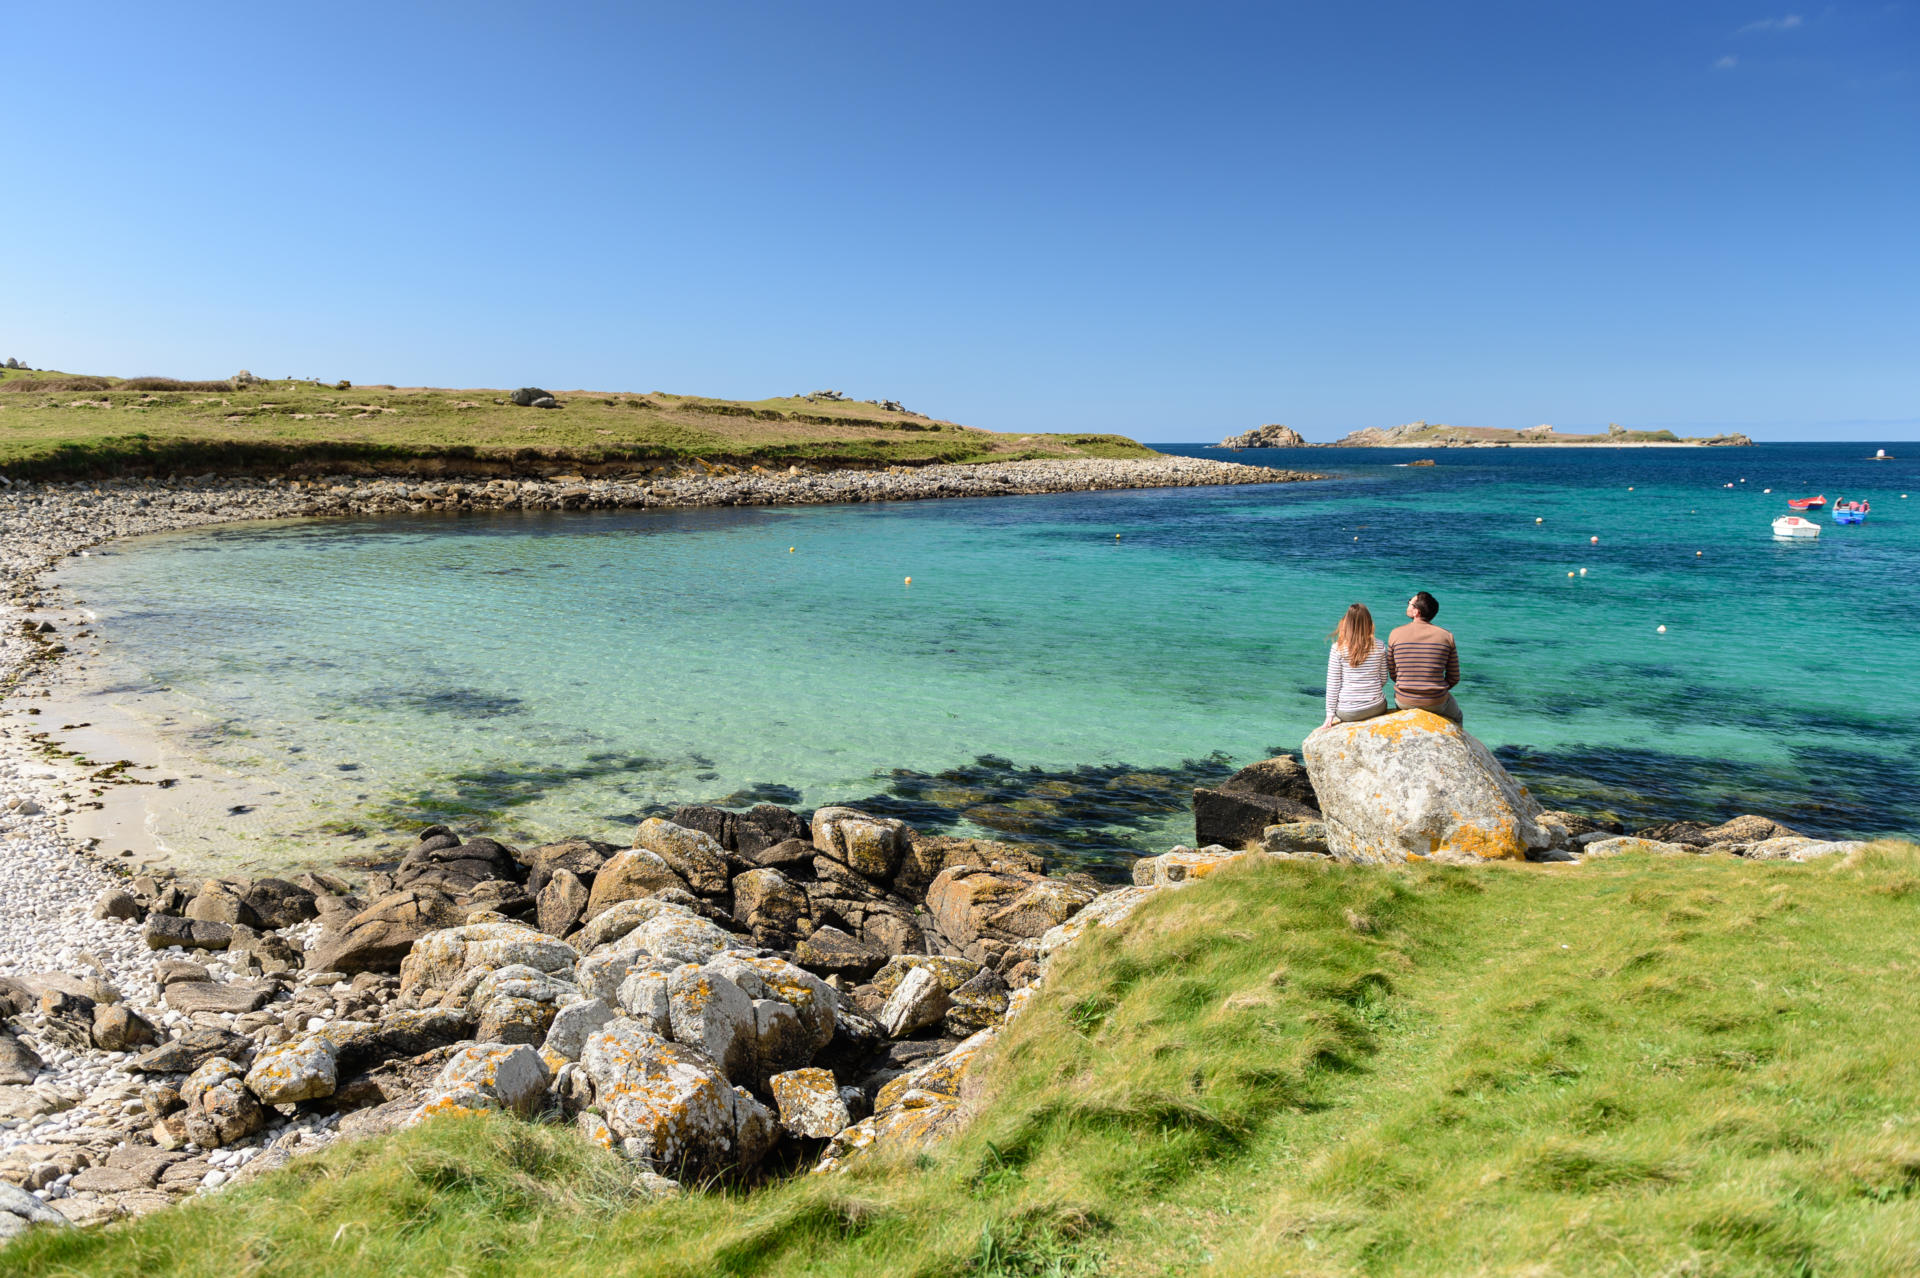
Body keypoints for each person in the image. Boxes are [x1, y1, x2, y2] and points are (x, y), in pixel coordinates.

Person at [1386, 590, 1463, 725]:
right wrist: (1433, 690)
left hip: (1404, 700)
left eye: (1409, 602)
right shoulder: (1446, 636)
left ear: (1416, 612)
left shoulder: (1395, 634)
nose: (1408, 604)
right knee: (1458, 717)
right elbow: (1454, 677)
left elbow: (1393, 673)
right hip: (1435, 701)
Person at [1321, 603, 1391, 727]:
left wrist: (1330, 714)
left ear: (1346, 623)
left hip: (1348, 712)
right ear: (1369, 622)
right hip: (1376, 707)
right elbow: (1384, 678)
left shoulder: (1338, 649)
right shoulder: (1379, 645)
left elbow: (1333, 684)